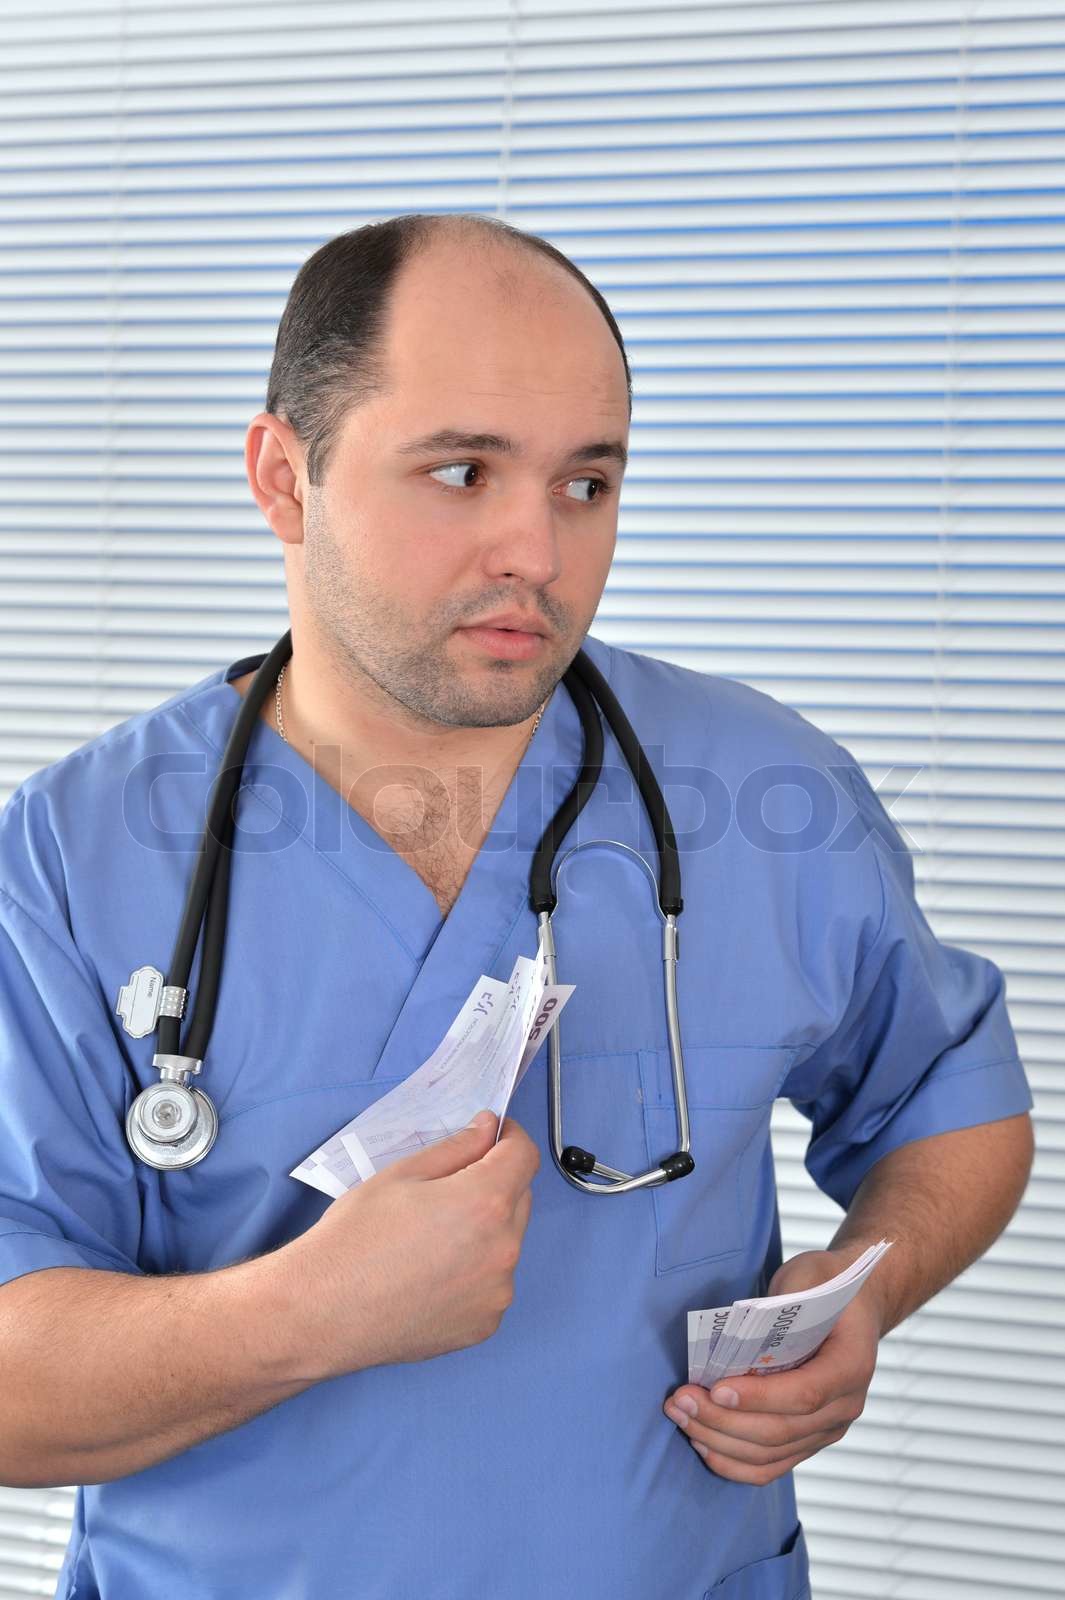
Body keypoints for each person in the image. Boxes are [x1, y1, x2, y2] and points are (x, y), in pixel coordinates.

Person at [0, 212, 1034, 1600]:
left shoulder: (763, 785)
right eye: (460, 469)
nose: (535, 552)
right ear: (281, 474)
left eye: (583, 484)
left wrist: (867, 1287)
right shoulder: (74, 856)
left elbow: (949, 1100)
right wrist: (306, 1314)